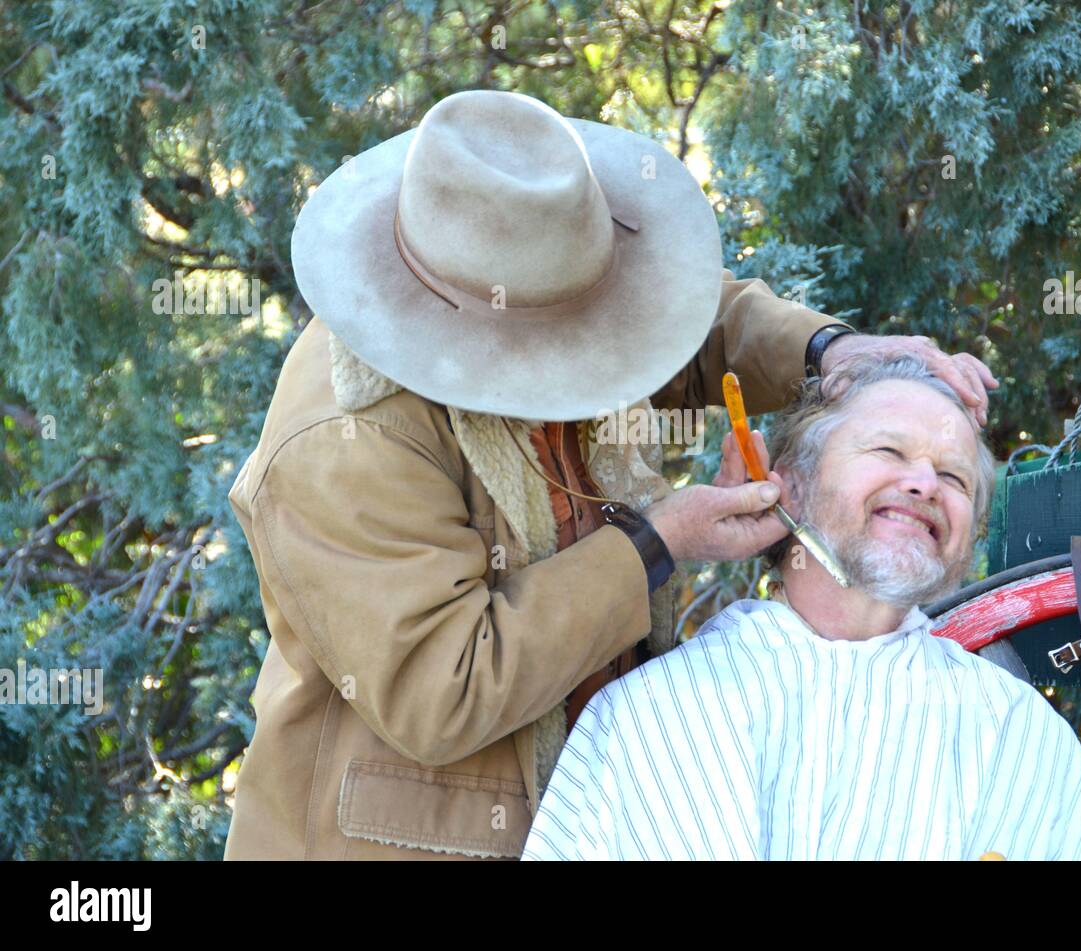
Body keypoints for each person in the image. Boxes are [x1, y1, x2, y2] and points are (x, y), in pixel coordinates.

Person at [222, 89, 997, 859]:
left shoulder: (541, 283)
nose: (919, 482)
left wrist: (823, 350)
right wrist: (658, 541)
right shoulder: (343, 435)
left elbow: (681, 324)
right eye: (886, 451)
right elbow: (446, 689)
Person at [522, 353, 1081, 860]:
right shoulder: (658, 711)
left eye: (955, 479)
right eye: (888, 453)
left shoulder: (1016, 732)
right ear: (788, 481)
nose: (924, 484)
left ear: (967, 537)